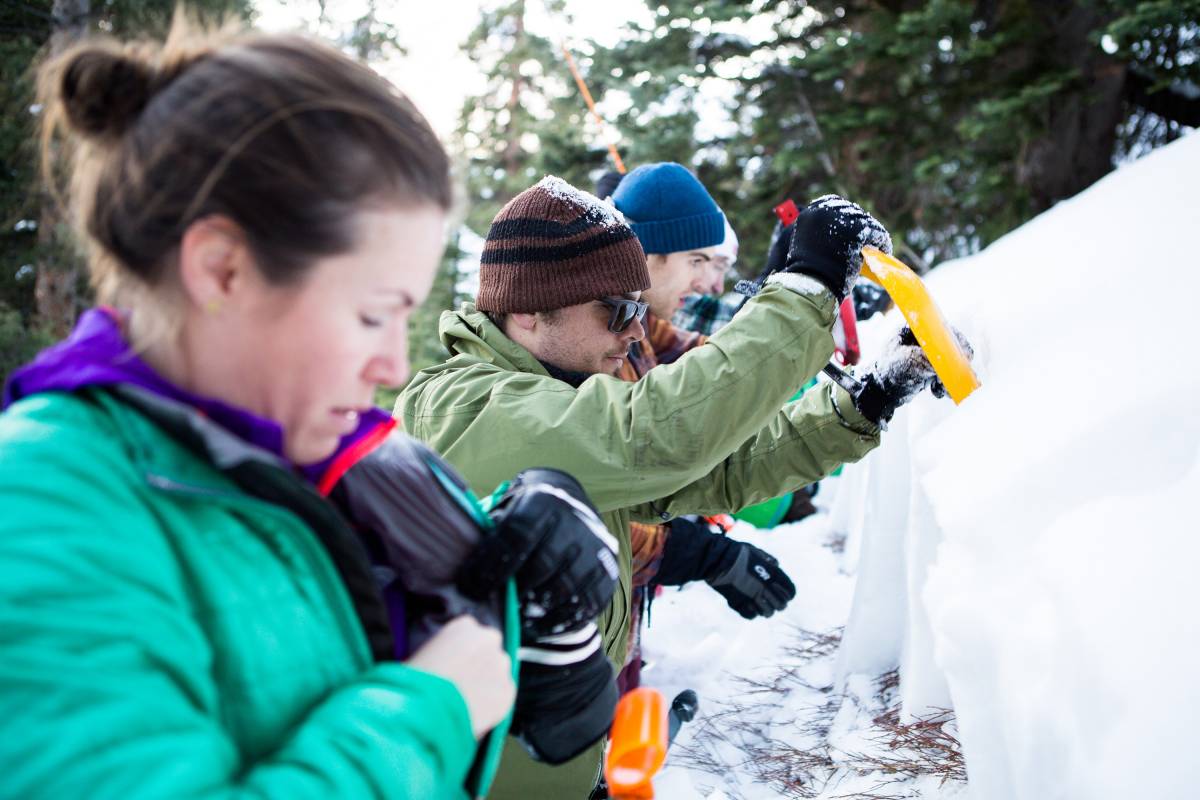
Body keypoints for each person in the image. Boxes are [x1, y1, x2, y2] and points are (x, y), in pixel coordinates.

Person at [0, 15, 611, 799]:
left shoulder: (298, 456)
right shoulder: (47, 510)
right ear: (222, 271)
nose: (394, 364)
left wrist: (516, 570)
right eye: (371, 313)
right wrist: (429, 713)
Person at [397, 173, 960, 796]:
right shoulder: (461, 408)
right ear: (528, 311)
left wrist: (867, 402)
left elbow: (718, 465)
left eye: (640, 308)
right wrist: (805, 290)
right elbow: (656, 436)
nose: (635, 333)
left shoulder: (563, 403)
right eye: (617, 311)